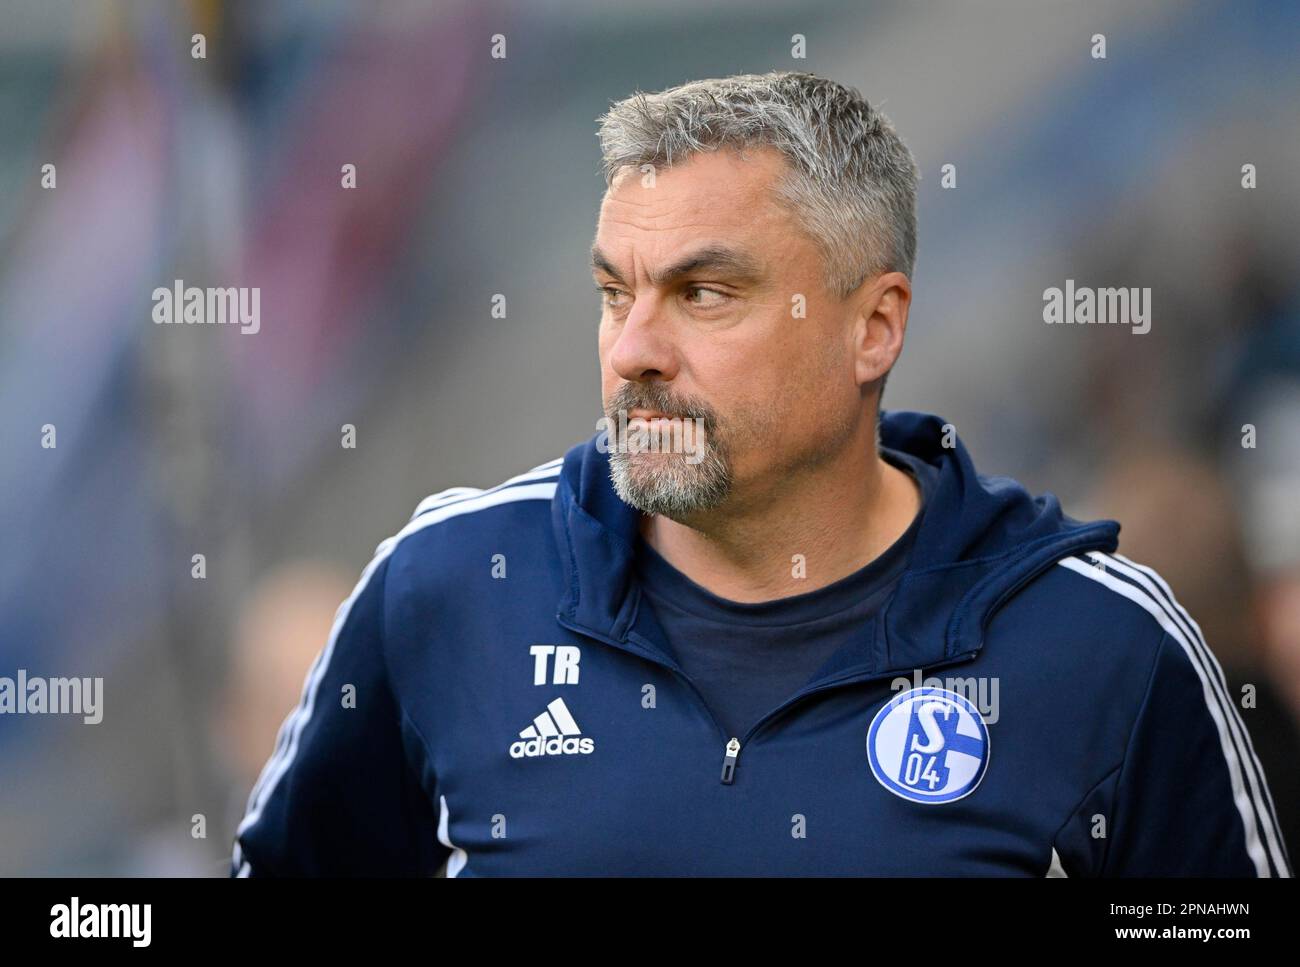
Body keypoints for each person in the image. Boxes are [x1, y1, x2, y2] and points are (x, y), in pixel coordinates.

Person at [231, 71, 1290, 876]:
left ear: (873, 327)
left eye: (703, 294)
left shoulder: (1104, 649)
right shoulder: (445, 593)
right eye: (616, 292)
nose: (632, 348)